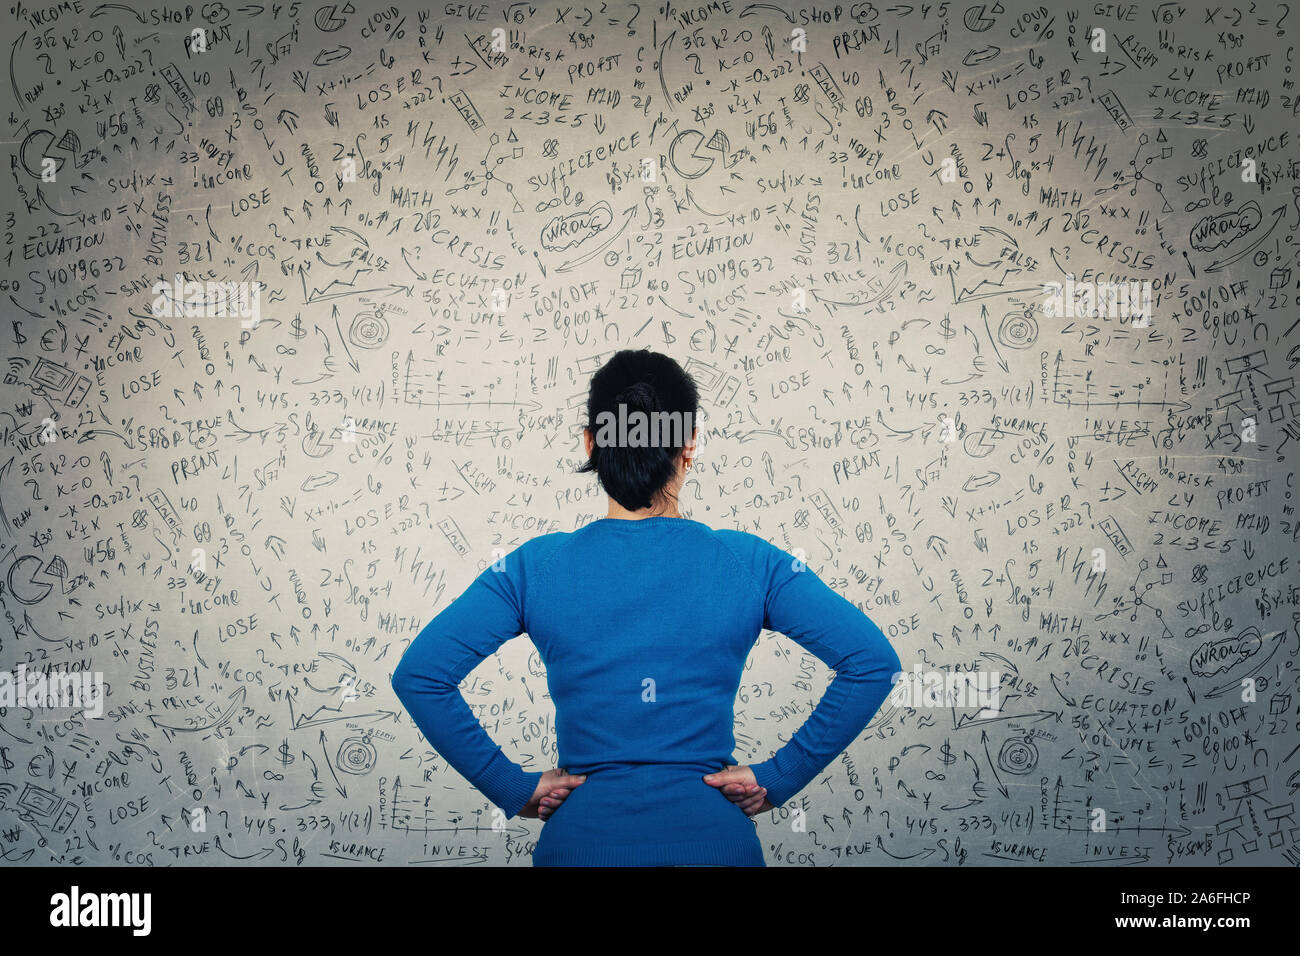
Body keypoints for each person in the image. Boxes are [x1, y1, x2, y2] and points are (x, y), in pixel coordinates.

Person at [390, 348, 902, 866]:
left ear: (591, 442)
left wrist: (513, 787)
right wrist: (779, 777)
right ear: (687, 447)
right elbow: (872, 664)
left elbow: (421, 675)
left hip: (581, 848)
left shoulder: (532, 568)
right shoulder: (750, 563)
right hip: (716, 846)